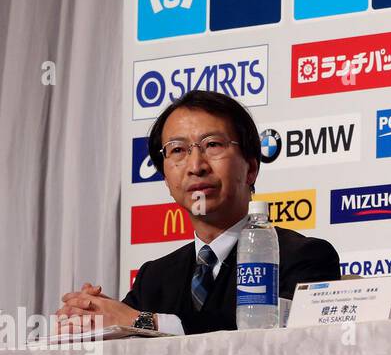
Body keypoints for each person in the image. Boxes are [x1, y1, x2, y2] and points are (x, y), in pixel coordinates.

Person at [57, 90, 339, 334]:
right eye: (177, 150)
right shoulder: (154, 278)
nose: (196, 165)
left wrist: (139, 321)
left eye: (213, 145)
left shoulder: (304, 258)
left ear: (251, 168)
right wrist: (98, 316)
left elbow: (269, 344)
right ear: (166, 180)